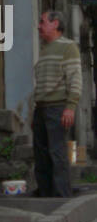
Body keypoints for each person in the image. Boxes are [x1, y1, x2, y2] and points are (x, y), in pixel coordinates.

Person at [32, 10, 82, 198]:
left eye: (42, 22)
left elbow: (75, 79)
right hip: (41, 108)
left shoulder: (68, 47)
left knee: (57, 152)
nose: (39, 26)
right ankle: (45, 194)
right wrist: (34, 112)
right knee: (41, 155)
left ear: (55, 24)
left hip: (58, 107)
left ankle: (61, 196)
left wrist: (71, 107)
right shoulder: (45, 50)